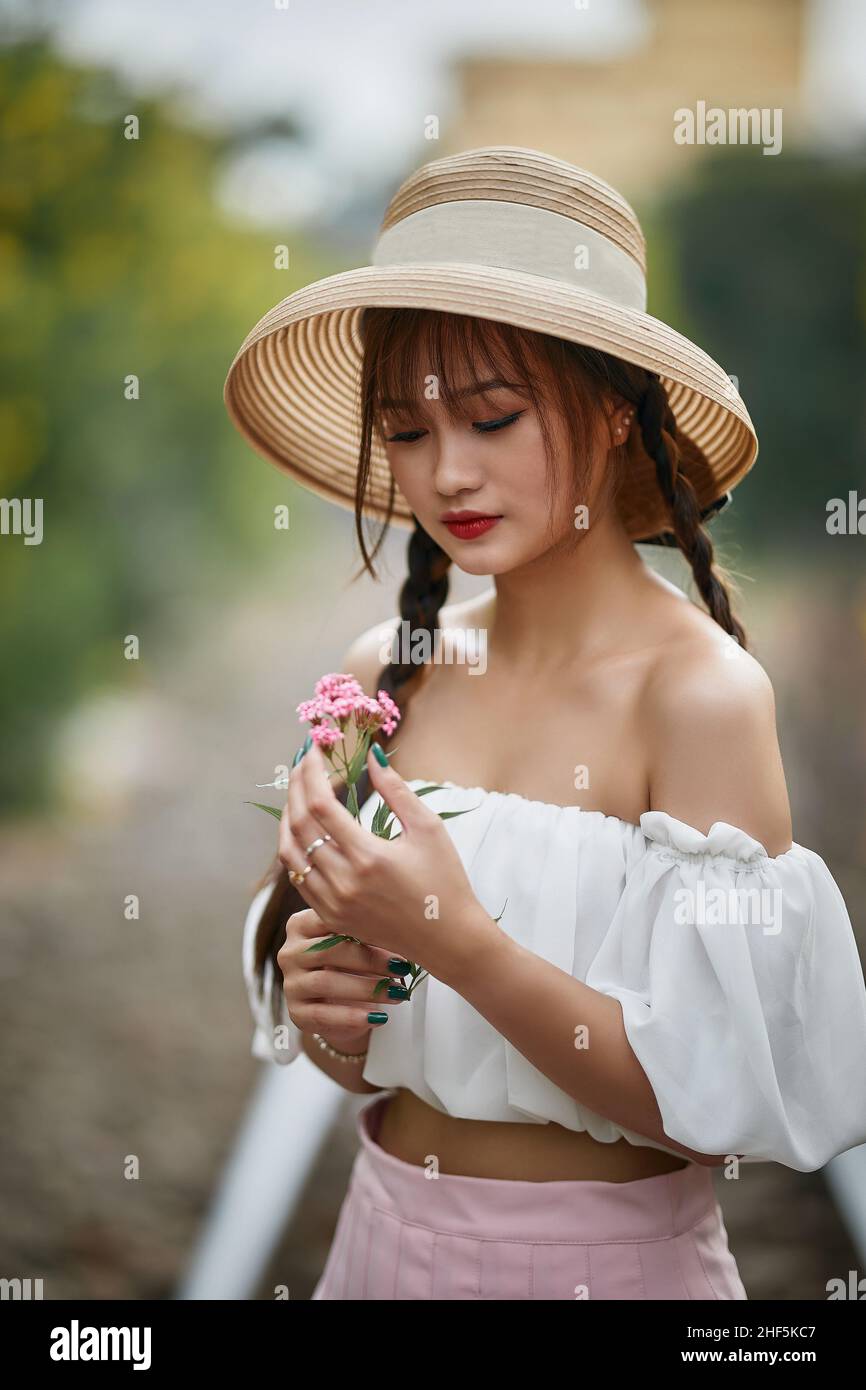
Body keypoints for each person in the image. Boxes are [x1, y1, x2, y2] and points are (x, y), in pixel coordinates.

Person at [226, 147, 866, 1300]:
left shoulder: (696, 694)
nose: (446, 475)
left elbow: (709, 1103)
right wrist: (327, 1001)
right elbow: (360, 1060)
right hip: (380, 1248)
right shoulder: (388, 673)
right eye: (407, 433)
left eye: (491, 418)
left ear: (616, 415)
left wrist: (453, 936)